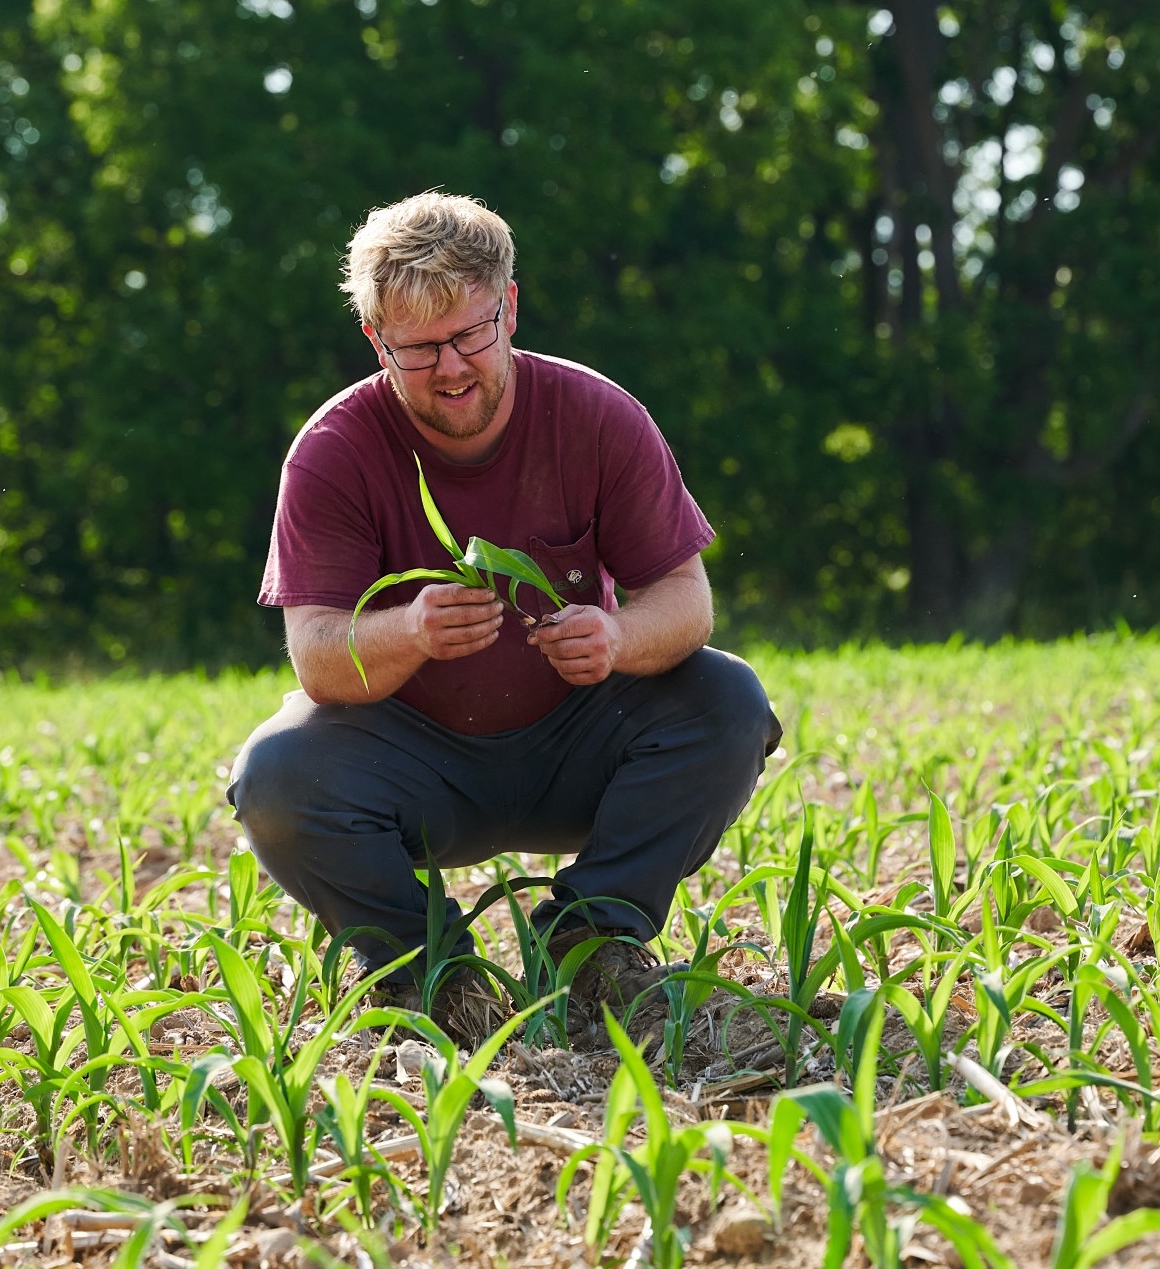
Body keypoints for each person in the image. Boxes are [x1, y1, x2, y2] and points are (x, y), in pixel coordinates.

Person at [226, 192, 782, 1046]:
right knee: (276, 774)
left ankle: (592, 942)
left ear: (509, 307)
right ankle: (426, 969)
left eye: (471, 334)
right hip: (415, 761)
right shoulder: (335, 449)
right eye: (417, 349)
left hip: (577, 742)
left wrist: (618, 638)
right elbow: (319, 661)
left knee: (727, 700)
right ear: (375, 341)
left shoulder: (595, 415)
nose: (452, 369)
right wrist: (408, 631)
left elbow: (687, 600)